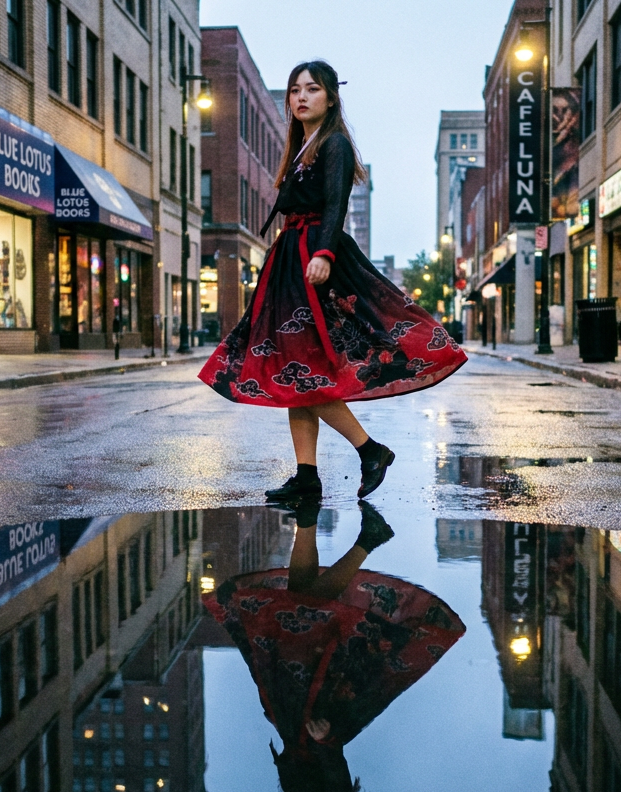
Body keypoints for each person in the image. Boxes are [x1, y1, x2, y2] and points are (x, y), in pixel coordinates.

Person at [198, 61, 467, 503]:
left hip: (311, 256)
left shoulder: (334, 144)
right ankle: (307, 475)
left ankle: (370, 450)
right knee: (293, 368)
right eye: (295, 90)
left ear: (330, 98)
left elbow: (336, 203)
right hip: (290, 258)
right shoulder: (302, 147)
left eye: (312, 89)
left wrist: (323, 252)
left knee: (303, 370)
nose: (301, 97)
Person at [203, 501, 466, 792]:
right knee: (305, 606)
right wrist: (325, 740)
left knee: (299, 600)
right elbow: (334, 770)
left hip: (289, 705)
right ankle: (353, 536)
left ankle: (316, 523)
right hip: (319, 705)